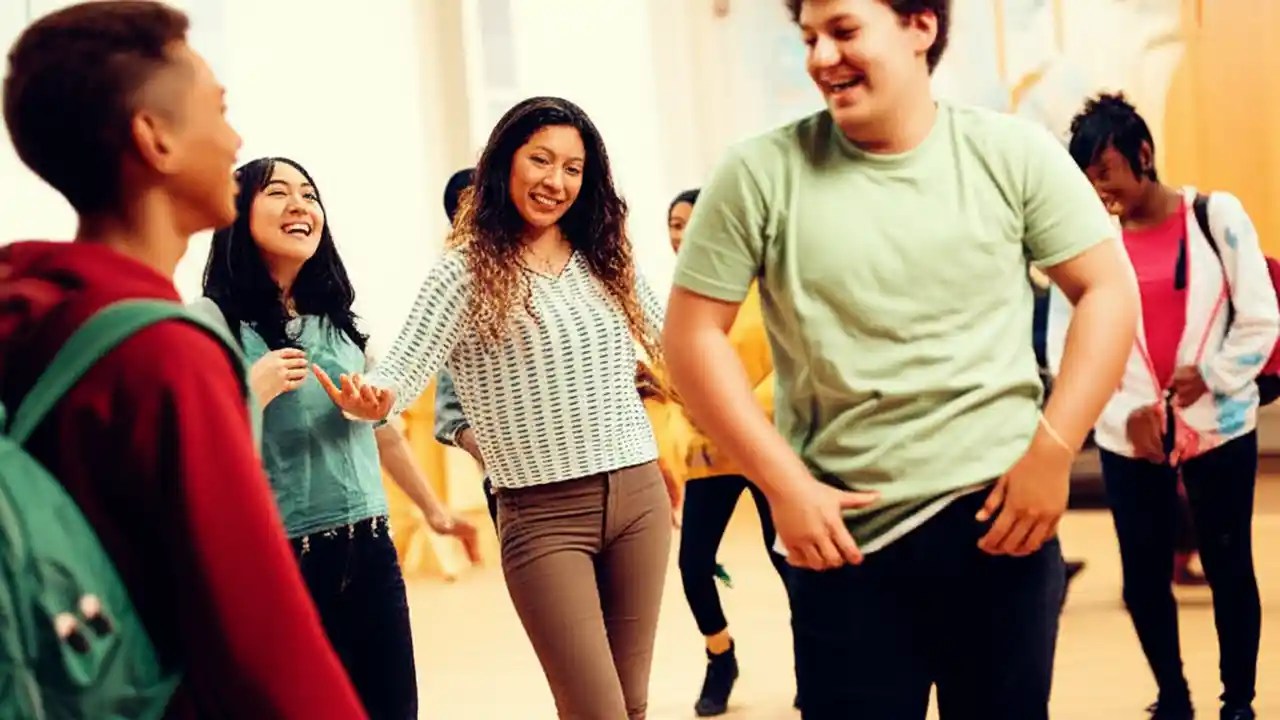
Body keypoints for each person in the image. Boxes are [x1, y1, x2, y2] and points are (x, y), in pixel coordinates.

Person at [662, 1, 1140, 718]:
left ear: (921, 26)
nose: (822, 57)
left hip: (998, 524)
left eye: (845, 31)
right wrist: (782, 484)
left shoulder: (1012, 154)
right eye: (809, 38)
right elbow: (692, 335)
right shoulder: (758, 172)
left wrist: (1053, 449)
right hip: (840, 542)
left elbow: (1106, 290)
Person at [0, 3, 365, 718]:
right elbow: (264, 643)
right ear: (155, 137)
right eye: (218, 109)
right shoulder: (166, 353)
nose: (235, 138)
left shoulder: (31, 312)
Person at [319, 96, 673, 719]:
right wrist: (375, 397)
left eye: (573, 167)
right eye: (540, 159)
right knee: (596, 709)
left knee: (632, 703)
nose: (555, 181)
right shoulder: (463, 272)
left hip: (638, 495)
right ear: (503, 163)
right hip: (542, 513)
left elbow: (675, 343)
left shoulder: (605, 261)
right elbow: (404, 366)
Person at [195, 156, 479, 718]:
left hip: (371, 550)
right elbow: (202, 453)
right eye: (277, 192)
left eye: (309, 193)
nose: (300, 204)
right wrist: (252, 391)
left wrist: (434, 510)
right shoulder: (210, 323)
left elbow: (383, 433)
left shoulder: (340, 323)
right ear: (236, 213)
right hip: (281, 561)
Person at [1064, 93, 1273, 720]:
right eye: (1088, 179)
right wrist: (1122, 410)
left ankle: (1238, 702)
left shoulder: (1215, 216)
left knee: (1230, 567)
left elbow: (1261, 319)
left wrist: (1210, 375)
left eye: (1106, 171)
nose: (1100, 190)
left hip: (1219, 428)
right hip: (1129, 437)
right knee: (1142, 580)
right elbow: (1073, 340)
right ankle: (1173, 697)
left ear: (1143, 155)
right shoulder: (1090, 242)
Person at [668, 188, 797, 716]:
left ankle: (813, 661)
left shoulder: (765, 288)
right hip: (709, 454)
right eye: (673, 224)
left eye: (690, 222)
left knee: (791, 561)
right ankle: (720, 656)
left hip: (768, 447)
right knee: (693, 565)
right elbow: (679, 374)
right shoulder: (680, 296)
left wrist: (730, 412)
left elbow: (786, 372)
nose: (680, 233)